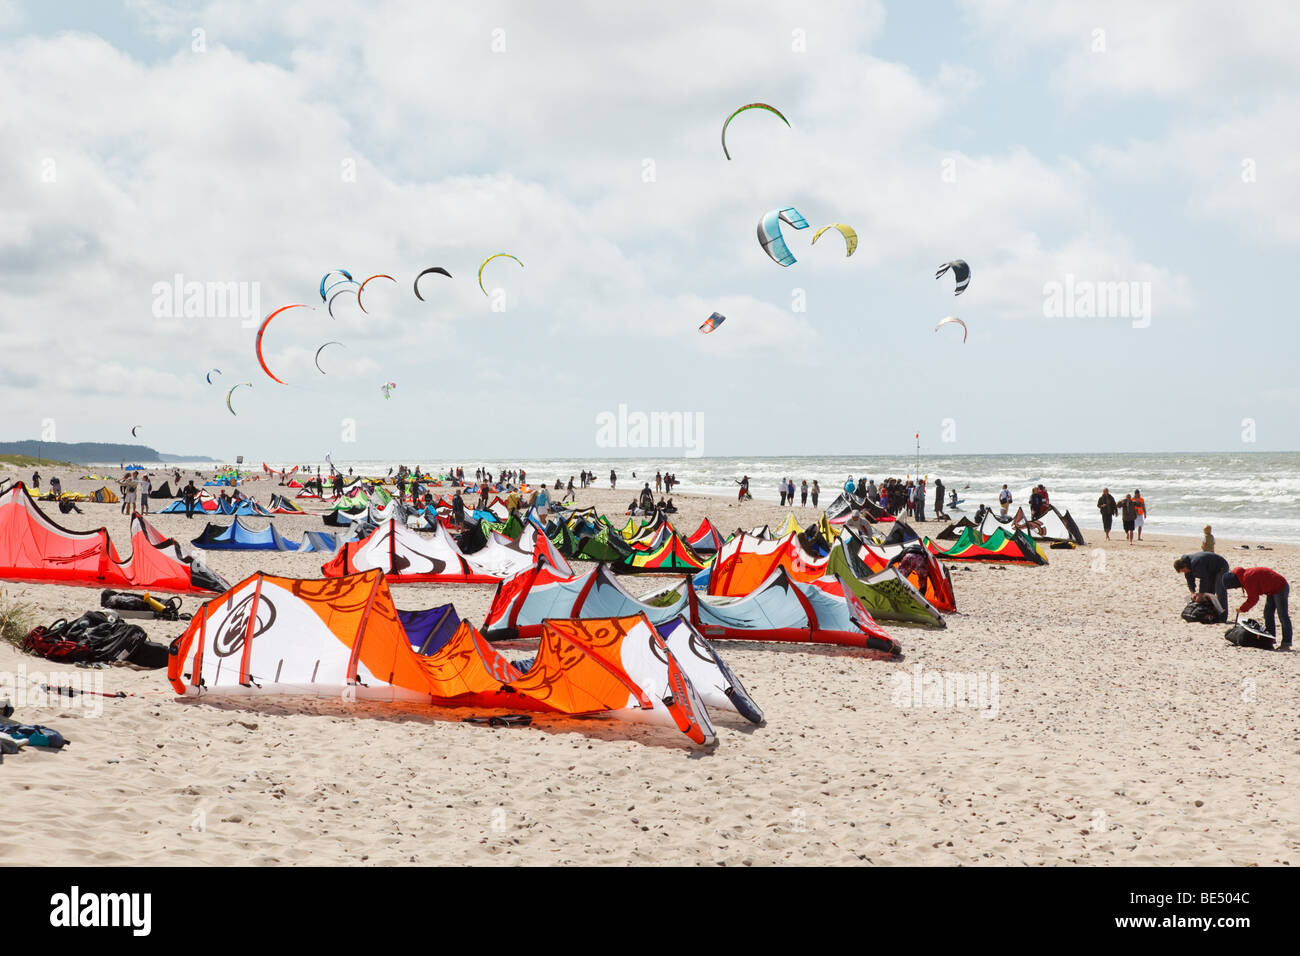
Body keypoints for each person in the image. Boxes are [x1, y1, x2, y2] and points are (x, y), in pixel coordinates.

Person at [1222, 566, 1291, 649]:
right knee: (1268, 614)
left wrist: (1242, 609)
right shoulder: (1242, 575)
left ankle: (1286, 643)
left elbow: (1253, 599)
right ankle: (1270, 639)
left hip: (1280, 587)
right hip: (1272, 589)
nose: (1237, 588)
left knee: (1283, 616)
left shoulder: (1247, 579)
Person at [1174, 552, 1231, 622]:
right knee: (1208, 593)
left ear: (1185, 565)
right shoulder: (1186, 567)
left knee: (1220, 591)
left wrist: (1200, 594)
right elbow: (1190, 581)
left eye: (1183, 570)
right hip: (1210, 570)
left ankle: (1222, 618)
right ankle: (1212, 615)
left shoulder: (1196, 563)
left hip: (1221, 567)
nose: (1184, 572)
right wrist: (1193, 593)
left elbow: (1203, 579)